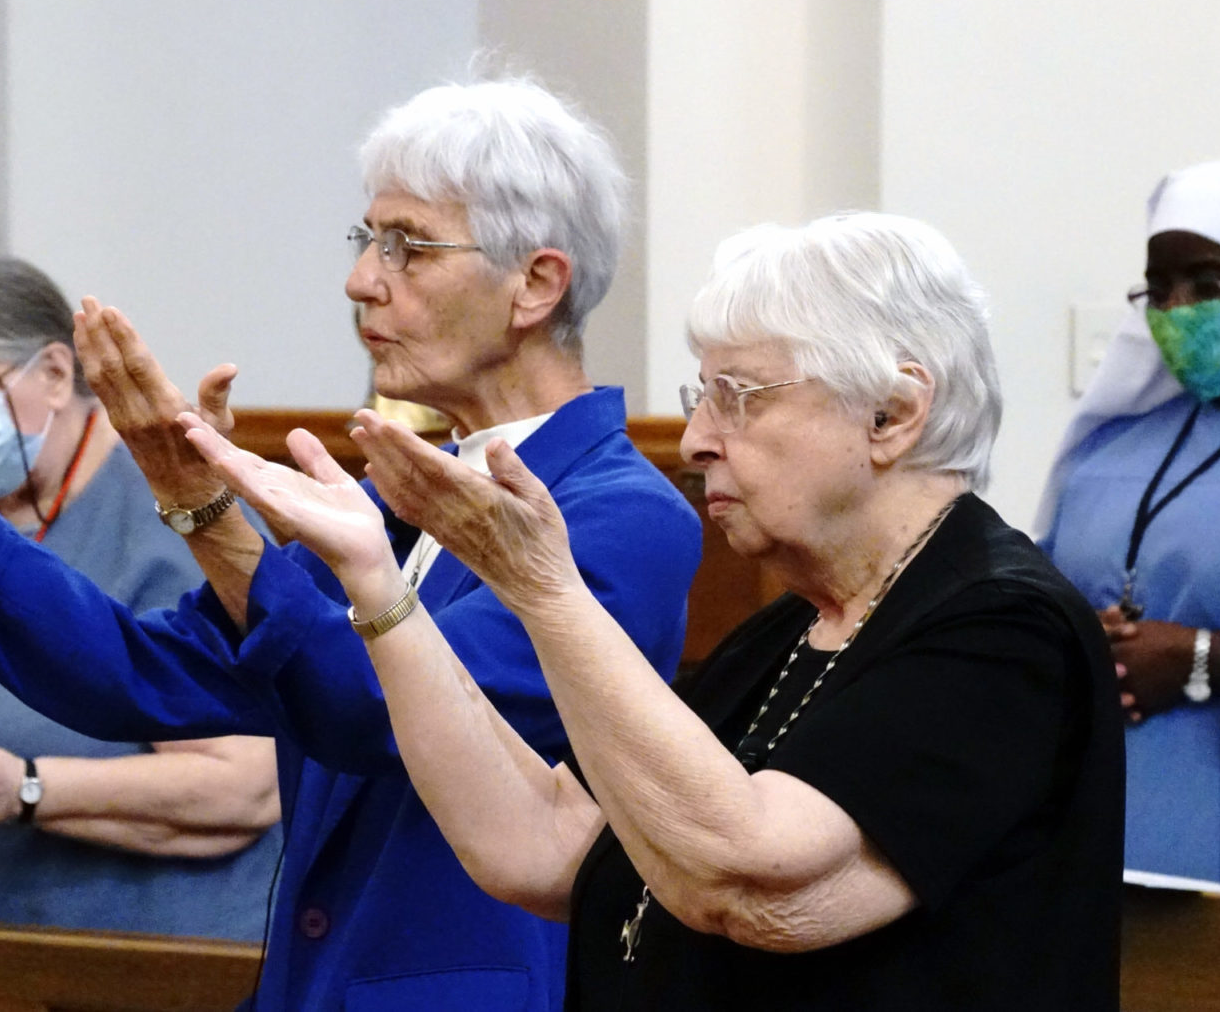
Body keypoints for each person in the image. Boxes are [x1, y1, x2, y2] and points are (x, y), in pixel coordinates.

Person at [0, 78, 702, 1010]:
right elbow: (136, 672)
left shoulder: (622, 516)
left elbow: (380, 713)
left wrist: (211, 516)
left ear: (536, 284)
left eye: (407, 247)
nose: (361, 279)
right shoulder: (392, 500)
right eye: (365, 239)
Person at [190, 212, 1125, 1010]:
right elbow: (543, 846)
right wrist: (379, 588)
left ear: (892, 413)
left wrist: (545, 590)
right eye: (700, 394)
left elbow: (748, 878)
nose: (700, 440)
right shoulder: (789, 634)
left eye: (738, 396)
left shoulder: (1002, 629)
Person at [0, 256, 282, 937]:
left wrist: (26, 786)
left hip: (163, 965)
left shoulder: (167, 523)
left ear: (56, 373)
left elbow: (247, 783)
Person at [1037, 159, 1220, 883]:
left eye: (1208, 283)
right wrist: (1076, 631)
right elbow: (1043, 579)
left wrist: (1203, 657)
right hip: (1089, 828)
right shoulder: (1118, 439)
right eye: (1160, 287)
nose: (1179, 308)